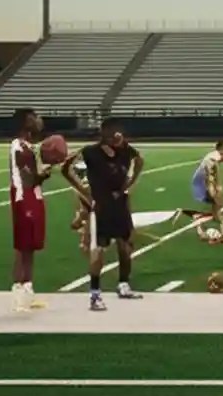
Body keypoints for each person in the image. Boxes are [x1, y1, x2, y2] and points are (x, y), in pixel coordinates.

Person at [61, 119, 145, 311]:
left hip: (120, 204)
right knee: (98, 250)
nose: (118, 136)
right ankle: (95, 294)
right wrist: (84, 192)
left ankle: (124, 284)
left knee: (125, 246)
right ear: (104, 134)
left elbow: (139, 161)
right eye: (114, 132)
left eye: (119, 132)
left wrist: (130, 184)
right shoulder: (90, 152)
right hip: (101, 206)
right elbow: (66, 169)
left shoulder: (126, 149)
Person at [9, 108, 51, 312]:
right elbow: (28, 178)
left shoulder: (29, 147)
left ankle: (28, 290)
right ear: (26, 122)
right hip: (23, 197)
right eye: (35, 117)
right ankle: (18, 293)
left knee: (32, 246)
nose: (39, 121)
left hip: (33, 196)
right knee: (23, 246)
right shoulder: (18, 147)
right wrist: (47, 171)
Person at [191, 141, 223, 242]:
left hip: (201, 183)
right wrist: (215, 189)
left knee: (216, 209)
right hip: (202, 185)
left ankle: (208, 223)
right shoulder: (214, 158)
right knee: (218, 208)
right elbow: (210, 176)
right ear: (221, 149)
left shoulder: (213, 156)